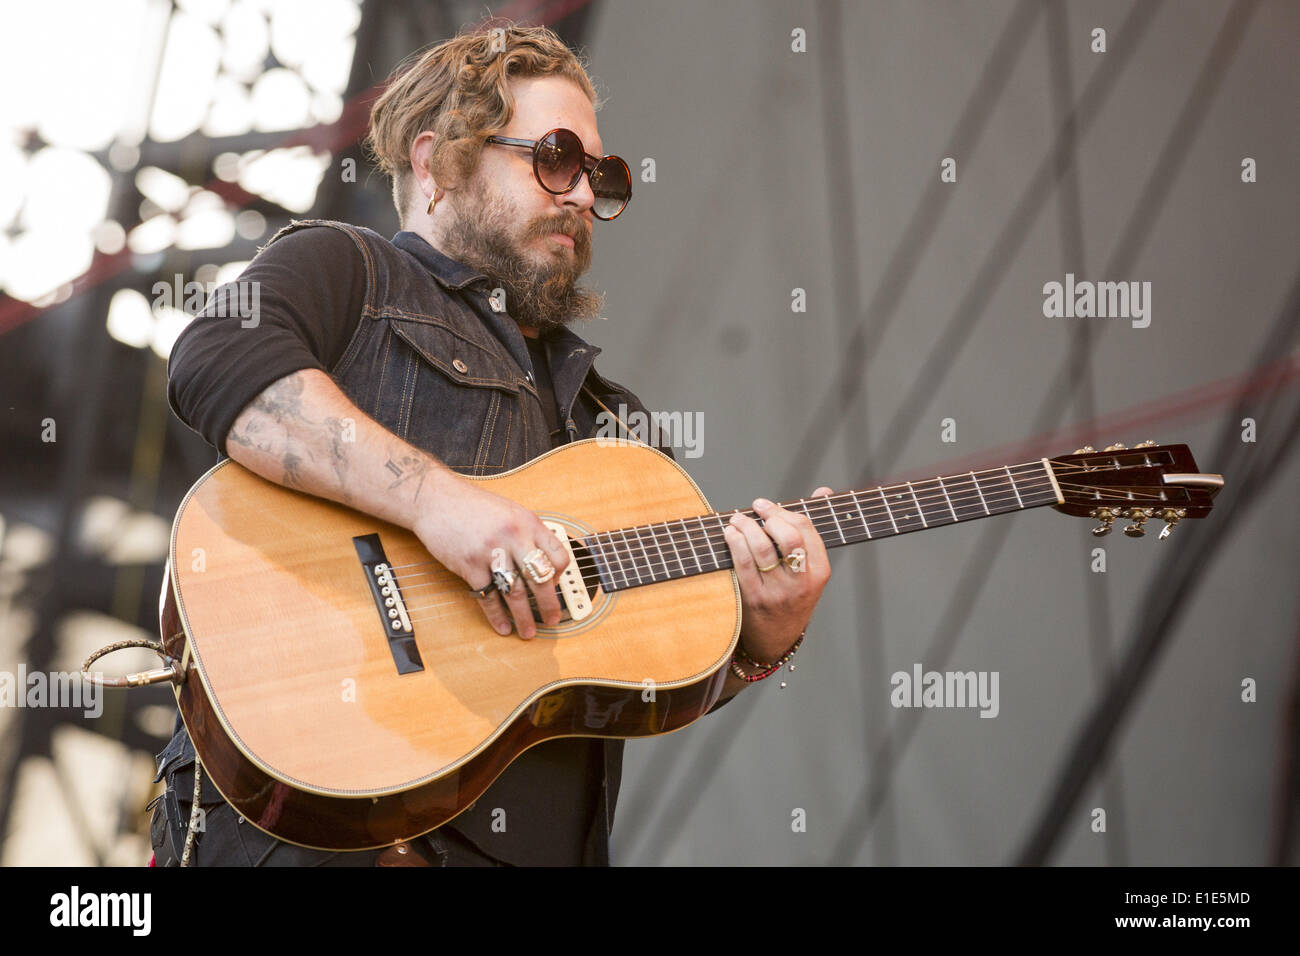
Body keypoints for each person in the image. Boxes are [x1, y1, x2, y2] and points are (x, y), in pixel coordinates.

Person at [151, 23, 832, 867]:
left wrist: (760, 644)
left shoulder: (614, 427)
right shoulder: (348, 272)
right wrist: (441, 505)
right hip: (315, 834)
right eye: (554, 157)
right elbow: (216, 358)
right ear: (437, 162)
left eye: (601, 175)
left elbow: (632, 680)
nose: (584, 195)